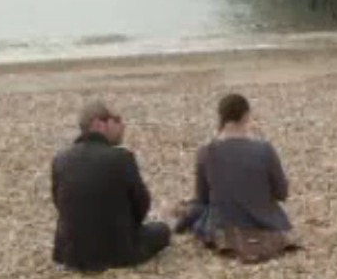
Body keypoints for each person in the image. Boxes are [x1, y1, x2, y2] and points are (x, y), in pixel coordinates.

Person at [51, 101, 170, 272]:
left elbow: (59, 202)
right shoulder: (121, 158)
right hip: (116, 252)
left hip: (70, 254)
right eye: (117, 120)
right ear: (99, 124)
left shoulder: (60, 158)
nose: (123, 125)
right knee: (162, 231)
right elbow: (141, 205)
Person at [178, 94, 296, 263]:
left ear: (221, 117)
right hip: (266, 221)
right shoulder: (265, 150)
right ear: (246, 115)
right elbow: (282, 193)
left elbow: (202, 198)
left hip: (225, 223)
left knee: (194, 209)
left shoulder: (206, 152)